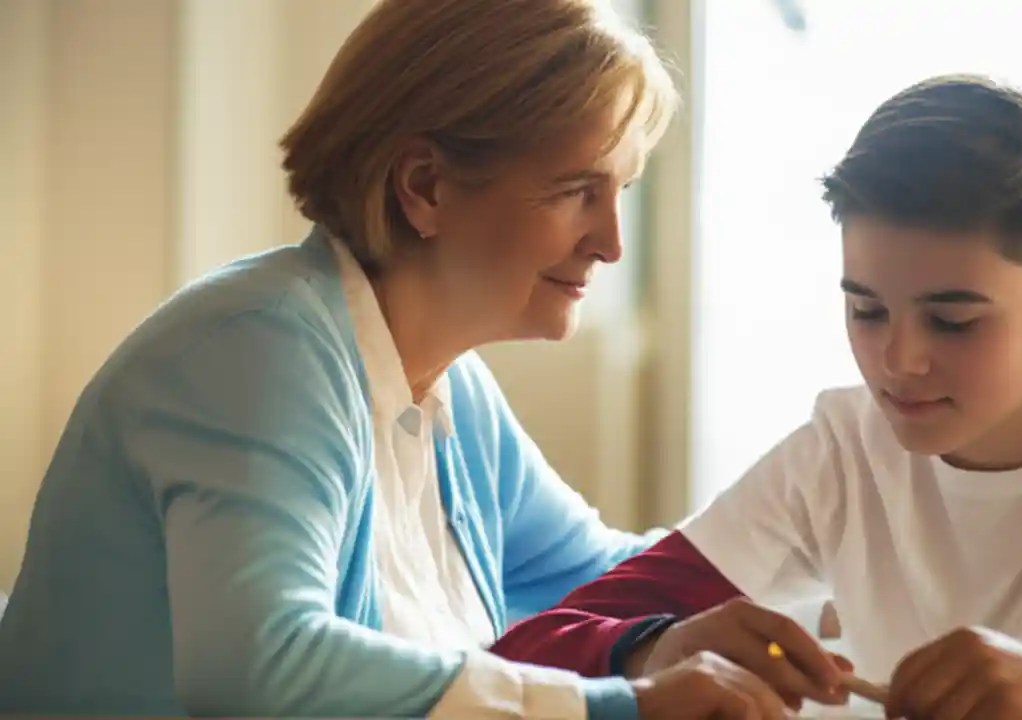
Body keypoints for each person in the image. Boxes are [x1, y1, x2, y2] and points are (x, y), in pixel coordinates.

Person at [0, 2, 801, 718]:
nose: (611, 243)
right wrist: (620, 706)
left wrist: (823, 567)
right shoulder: (258, 351)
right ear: (425, 186)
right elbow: (258, 670)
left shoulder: (446, 388)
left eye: (620, 192)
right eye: (575, 191)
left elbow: (599, 577)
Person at [490, 74, 1022, 719]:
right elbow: (532, 646)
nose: (897, 361)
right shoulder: (843, 450)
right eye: (866, 310)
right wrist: (661, 645)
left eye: (953, 321)